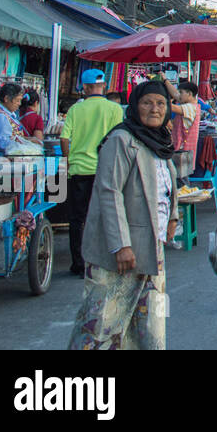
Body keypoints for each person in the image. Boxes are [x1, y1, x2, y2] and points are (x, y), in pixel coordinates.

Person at [68, 79, 177, 350]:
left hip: (152, 249)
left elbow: (166, 184)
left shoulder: (160, 141)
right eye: (147, 102)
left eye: (161, 103)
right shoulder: (121, 140)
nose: (155, 109)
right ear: (134, 106)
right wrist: (121, 245)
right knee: (102, 324)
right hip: (121, 253)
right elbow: (109, 191)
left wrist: (173, 216)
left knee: (149, 324)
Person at [60, 70, 124, 277]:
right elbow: (118, 138)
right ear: (104, 86)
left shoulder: (75, 110)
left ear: (85, 88)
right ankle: (102, 261)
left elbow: (64, 139)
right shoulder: (115, 109)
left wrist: (68, 159)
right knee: (105, 216)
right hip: (105, 169)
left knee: (77, 219)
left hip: (79, 170)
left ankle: (78, 263)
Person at [0, 83, 28, 156]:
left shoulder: (8, 114)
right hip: (3, 162)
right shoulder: (1, 116)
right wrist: (24, 144)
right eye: (17, 100)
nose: (19, 104)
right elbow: (3, 144)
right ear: (6, 99)